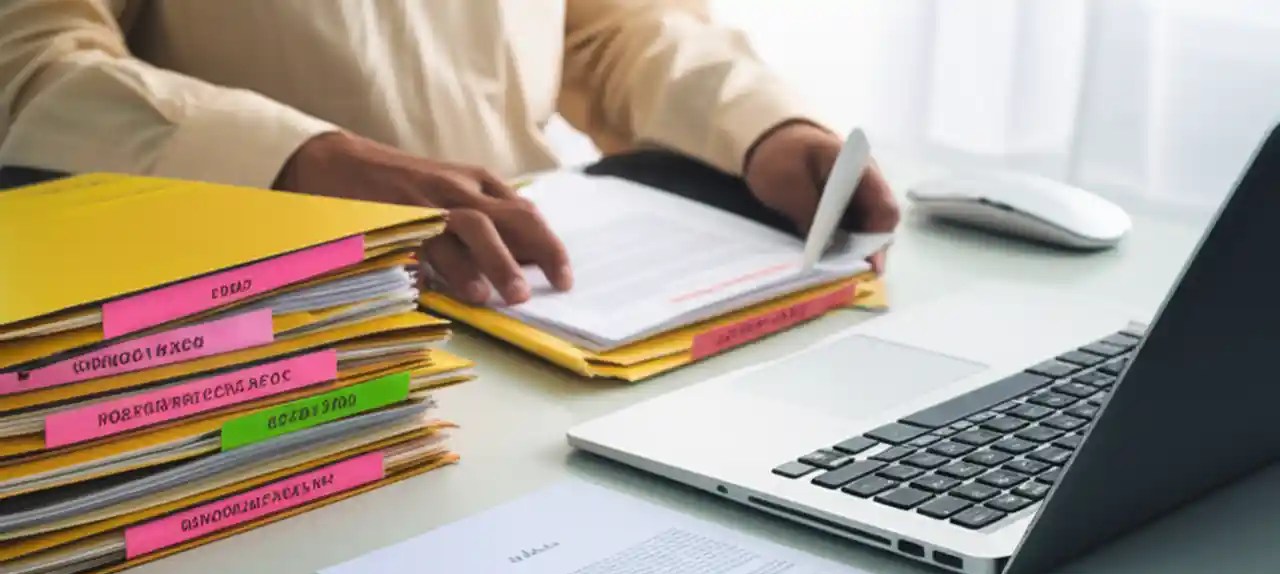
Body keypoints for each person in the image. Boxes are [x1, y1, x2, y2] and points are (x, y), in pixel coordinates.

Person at [0, 0, 900, 304]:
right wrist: (308, 161)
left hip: (536, 305)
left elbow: (607, 25)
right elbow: (33, 63)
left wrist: (761, 127)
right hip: (276, 321)